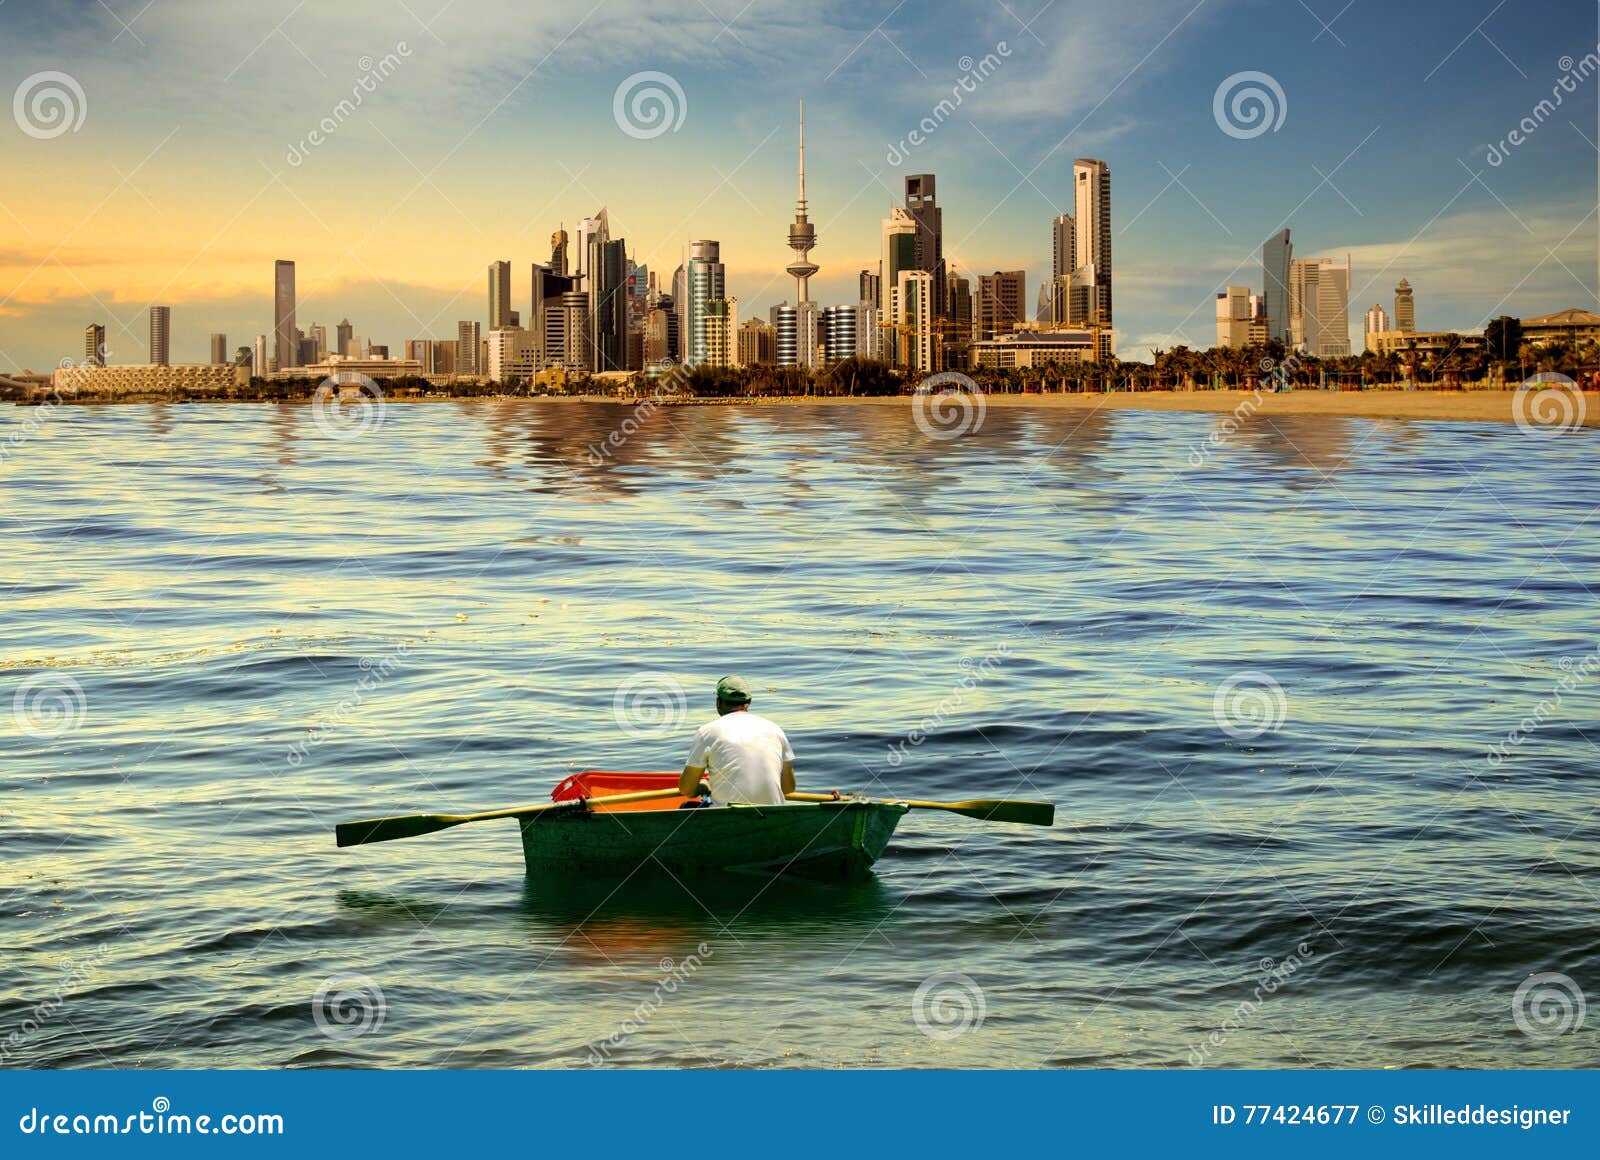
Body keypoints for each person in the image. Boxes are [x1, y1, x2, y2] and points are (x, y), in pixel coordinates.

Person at [679, 675, 795, 806]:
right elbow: (788, 788)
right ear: (749, 702)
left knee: (686, 806)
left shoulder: (707, 732)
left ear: (718, 702)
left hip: (729, 819)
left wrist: (703, 787)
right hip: (772, 816)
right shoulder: (775, 729)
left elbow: (686, 789)